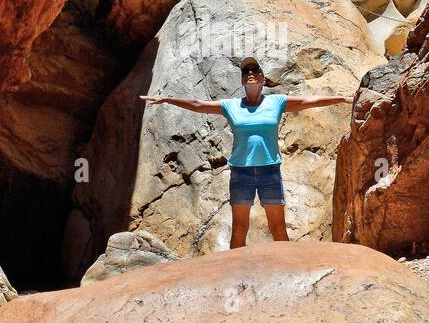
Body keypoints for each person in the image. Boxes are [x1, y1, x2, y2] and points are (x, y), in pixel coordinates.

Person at [140, 56, 353, 248]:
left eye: (254, 71)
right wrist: (168, 99)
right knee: (240, 227)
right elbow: (198, 104)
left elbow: (308, 102)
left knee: (278, 227)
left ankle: (287, 267)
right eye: (246, 72)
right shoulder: (231, 105)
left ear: (262, 78)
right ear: (243, 81)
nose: (250, 74)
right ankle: (236, 274)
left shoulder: (276, 102)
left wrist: (341, 99)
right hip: (241, 173)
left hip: (270, 170)